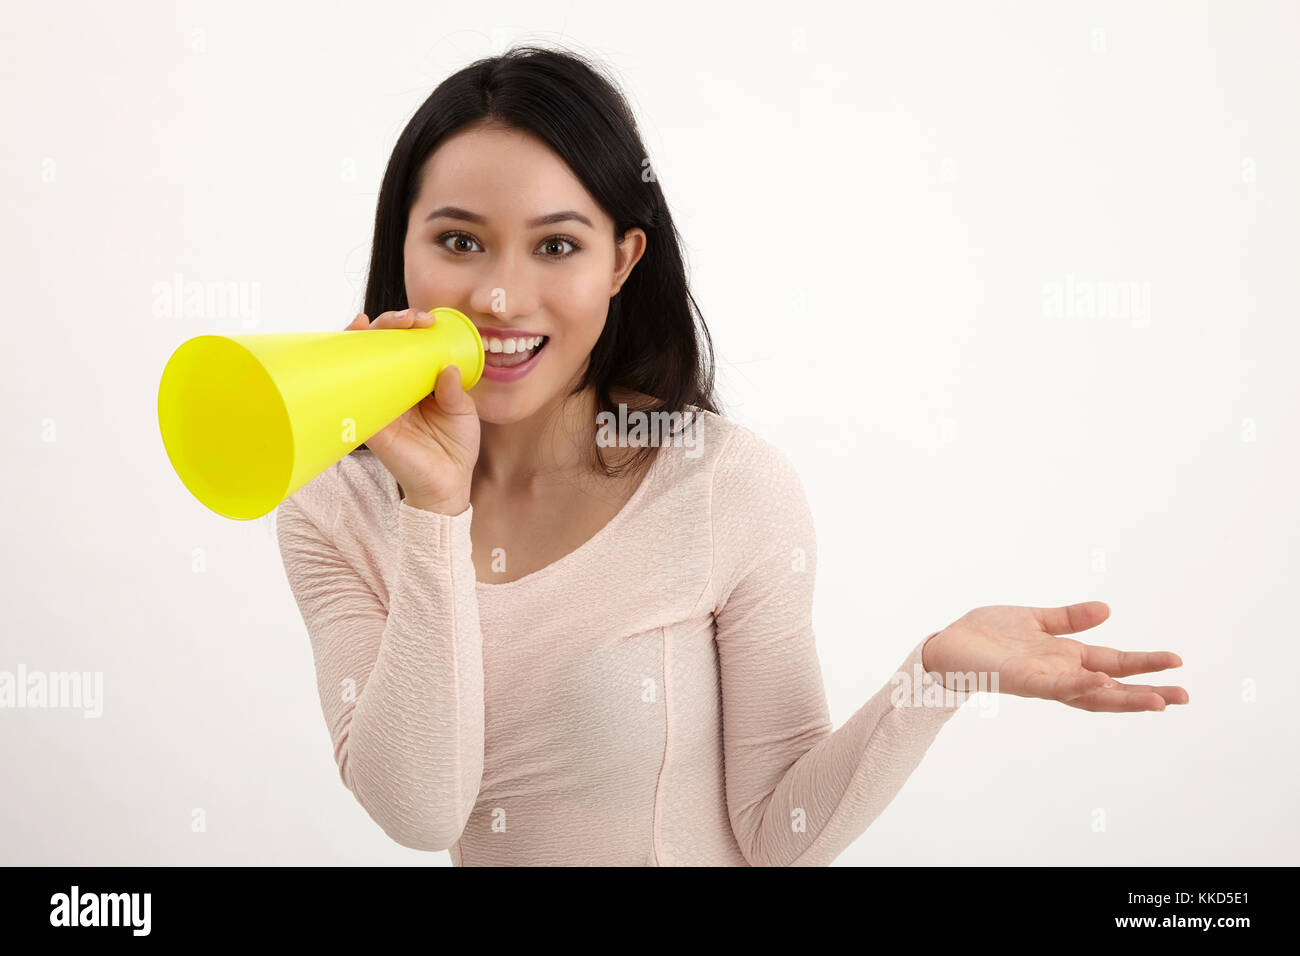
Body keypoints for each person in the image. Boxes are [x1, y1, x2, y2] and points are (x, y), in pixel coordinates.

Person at [275, 45, 1188, 866]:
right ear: (403, 248)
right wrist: (433, 509)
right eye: (460, 241)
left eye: (558, 244)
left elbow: (775, 833)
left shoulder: (720, 484)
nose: (503, 296)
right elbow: (422, 814)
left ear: (623, 261)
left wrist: (934, 675)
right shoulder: (335, 509)